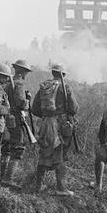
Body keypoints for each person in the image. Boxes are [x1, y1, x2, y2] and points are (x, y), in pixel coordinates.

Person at [32, 64, 79, 197]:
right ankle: (61, 188)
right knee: (60, 153)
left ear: (52, 73)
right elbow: (74, 109)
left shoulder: (44, 86)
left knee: (44, 153)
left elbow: (35, 109)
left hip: (45, 124)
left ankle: (38, 185)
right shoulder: (65, 87)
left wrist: (47, 116)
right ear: (63, 75)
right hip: (59, 125)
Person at [0, 59, 32, 188]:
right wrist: (27, 99)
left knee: (6, 149)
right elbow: (21, 104)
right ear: (24, 72)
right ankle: (8, 178)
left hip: (4, 118)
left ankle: (3, 176)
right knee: (18, 149)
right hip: (15, 120)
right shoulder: (19, 84)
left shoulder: (6, 82)